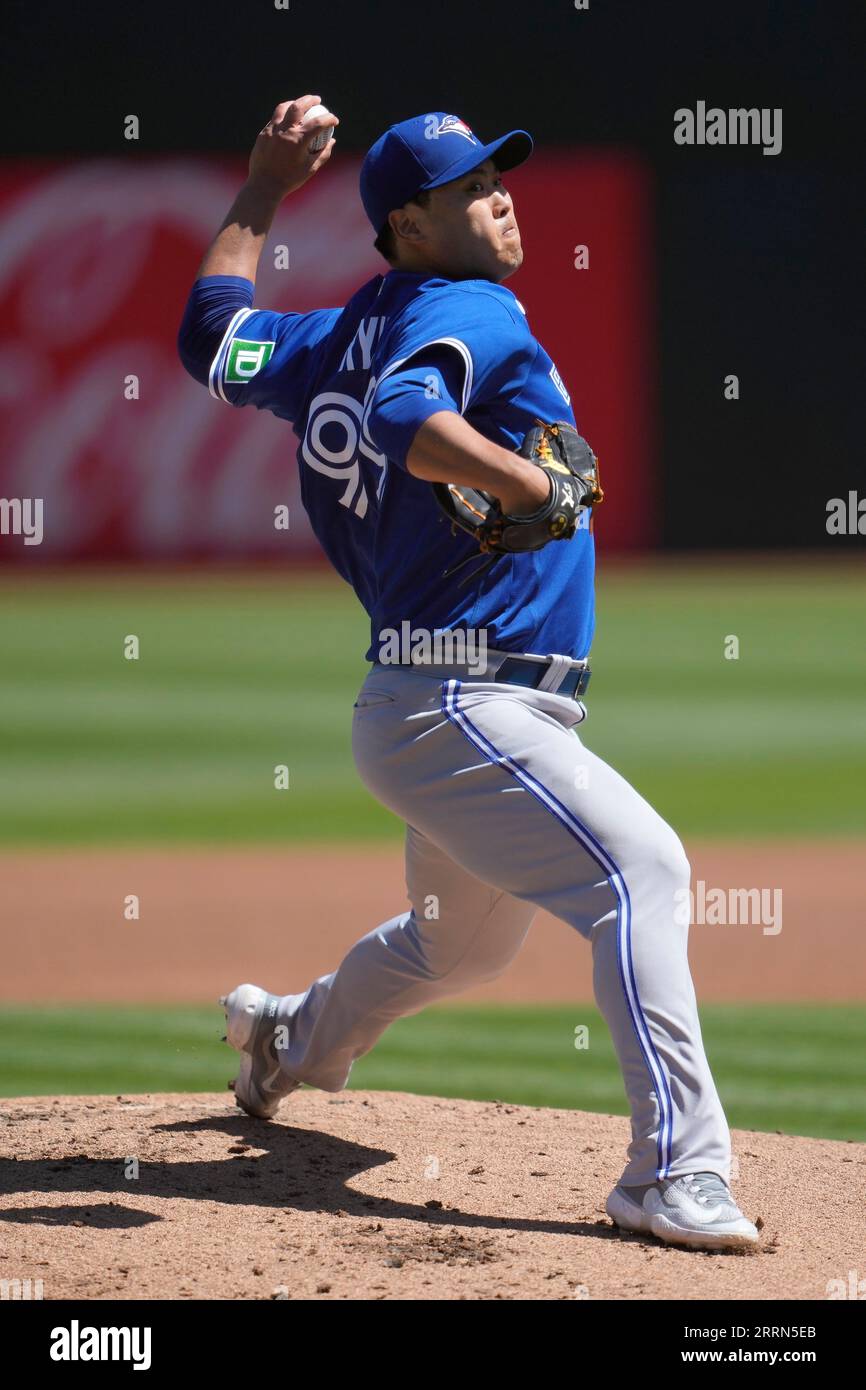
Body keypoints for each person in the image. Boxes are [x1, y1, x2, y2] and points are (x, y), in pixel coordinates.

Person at [177, 96, 759, 1251]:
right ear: (406, 221)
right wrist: (534, 487)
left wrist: (260, 186)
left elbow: (208, 330)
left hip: (426, 708)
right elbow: (406, 416)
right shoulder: (469, 307)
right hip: (463, 703)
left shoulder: (325, 338)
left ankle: (287, 1040)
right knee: (640, 872)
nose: (499, 194)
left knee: (459, 944)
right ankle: (669, 1174)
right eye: (469, 186)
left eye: (500, 174)